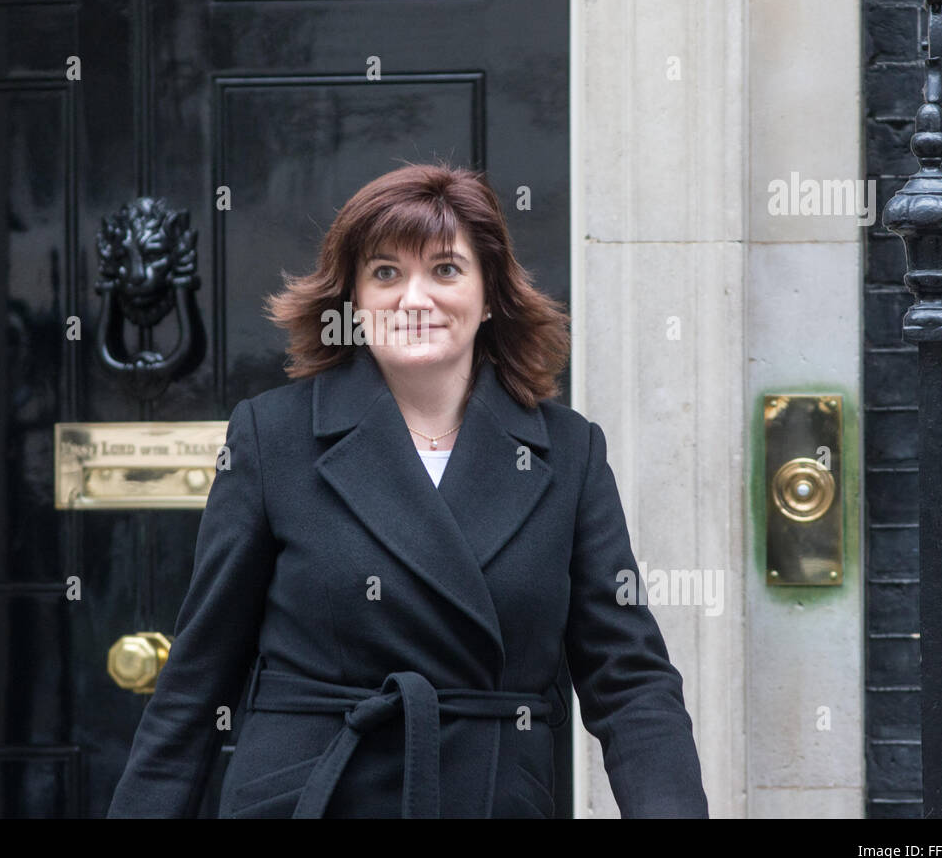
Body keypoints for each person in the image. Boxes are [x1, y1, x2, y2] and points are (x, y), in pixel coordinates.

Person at [108, 162, 708, 818]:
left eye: (445, 270)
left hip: (489, 799)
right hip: (309, 797)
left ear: (490, 294)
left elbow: (630, 681)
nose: (414, 299)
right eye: (386, 273)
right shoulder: (271, 436)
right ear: (354, 298)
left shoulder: (568, 451)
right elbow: (198, 678)